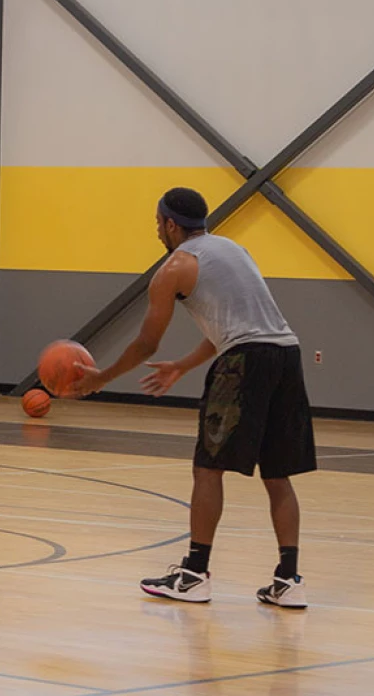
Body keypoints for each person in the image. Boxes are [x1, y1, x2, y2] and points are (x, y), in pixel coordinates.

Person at [68, 187, 315, 608]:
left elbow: (147, 344)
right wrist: (182, 365)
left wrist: (100, 378)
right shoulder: (233, 250)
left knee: (207, 469)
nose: (156, 230)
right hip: (286, 355)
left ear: (168, 223)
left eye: (157, 222)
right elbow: (236, 324)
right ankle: (288, 580)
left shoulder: (174, 268)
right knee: (277, 475)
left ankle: (194, 573)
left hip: (244, 363)